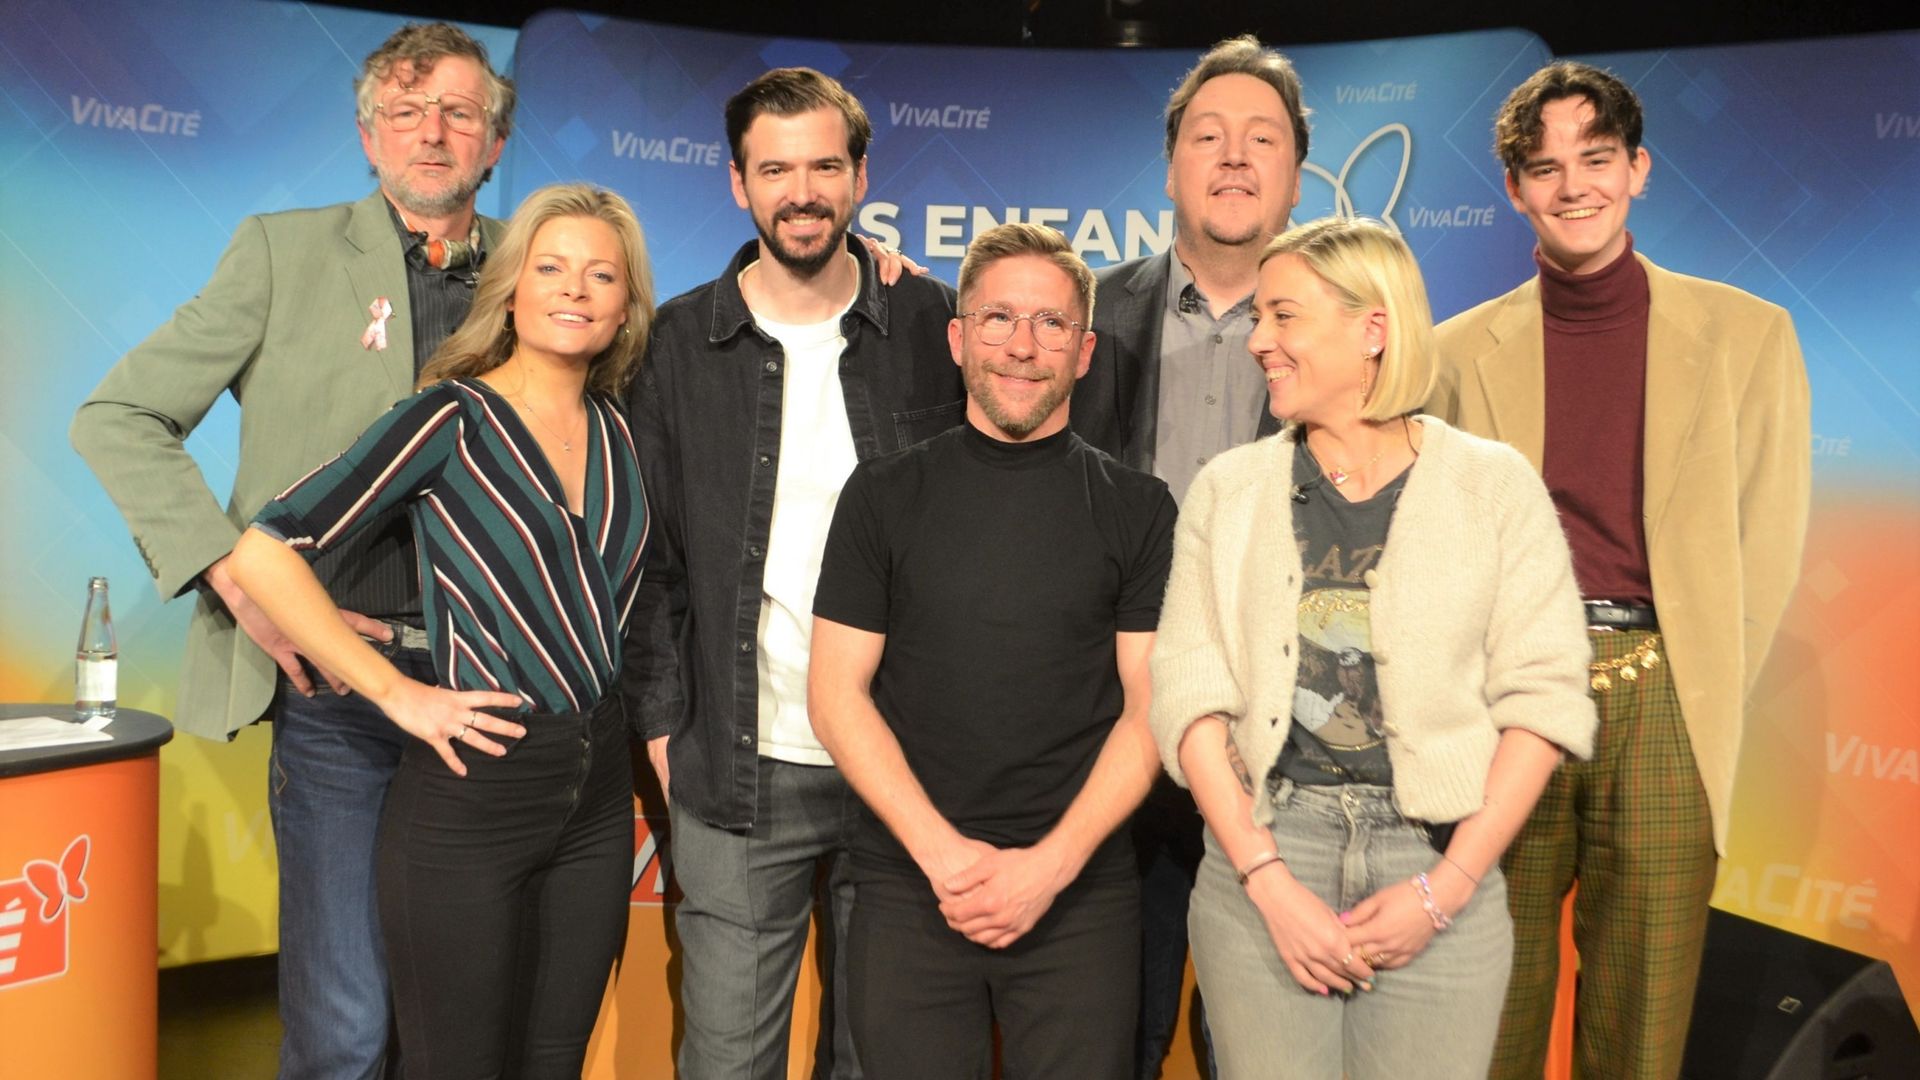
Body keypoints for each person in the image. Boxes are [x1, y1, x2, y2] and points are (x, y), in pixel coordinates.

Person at [70, 23, 513, 1078]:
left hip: (494, 686)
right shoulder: (282, 251)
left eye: (458, 112)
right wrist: (236, 577)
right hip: (335, 691)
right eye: (405, 111)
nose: (432, 132)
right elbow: (118, 416)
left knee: (462, 1025)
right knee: (346, 1028)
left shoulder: (536, 266)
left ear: (495, 142)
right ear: (368, 136)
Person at [1430, 61, 1811, 1079]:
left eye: (1595, 159)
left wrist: (1696, 687)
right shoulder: (1454, 354)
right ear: (1514, 189)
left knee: (1640, 1031)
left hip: (1664, 700)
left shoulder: (1748, 335)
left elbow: (1768, 540)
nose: (1574, 187)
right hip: (1506, 701)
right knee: (1482, 1018)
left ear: (1637, 170)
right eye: (1545, 168)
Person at [1150, 216, 1598, 1079]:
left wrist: (1447, 889)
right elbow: (1189, 696)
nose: (1258, 340)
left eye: (1283, 316)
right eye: (1259, 318)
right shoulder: (1227, 490)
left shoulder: (1494, 485)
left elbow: (1544, 702)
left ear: (1373, 329)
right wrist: (1267, 880)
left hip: (1435, 857)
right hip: (1268, 852)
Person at [224, 182, 653, 1078]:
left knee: (555, 1060)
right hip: (474, 791)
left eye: (601, 275)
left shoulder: (620, 429)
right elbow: (267, 550)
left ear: (625, 307)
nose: (575, 289)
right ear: (511, 288)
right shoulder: (449, 416)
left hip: (597, 792)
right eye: (551, 268)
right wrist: (396, 693)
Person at [620, 66, 963, 1080]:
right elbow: (648, 564)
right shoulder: (675, 344)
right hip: (739, 766)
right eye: (775, 170)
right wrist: (664, 732)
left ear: (861, 176)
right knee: (727, 1062)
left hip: (902, 764)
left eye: (823, 167)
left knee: (880, 1058)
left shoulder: (933, 323)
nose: (801, 192)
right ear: (738, 183)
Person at [809, 222, 1177, 1079]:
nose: (1022, 346)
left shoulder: (1140, 509)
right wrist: (944, 858)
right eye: (998, 318)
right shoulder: (882, 495)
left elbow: (1150, 710)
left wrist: (1048, 869)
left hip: (1080, 894)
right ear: (957, 338)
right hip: (910, 885)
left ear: (1084, 351)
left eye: (1051, 324)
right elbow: (836, 695)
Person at [1070, 35, 1312, 1076]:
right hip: (1110, 725)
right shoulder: (1082, 315)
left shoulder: (1349, 332)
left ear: (1297, 175)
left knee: (1256, 1043)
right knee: (1110, 1030)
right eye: (1208, 137)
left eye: (1262, 139)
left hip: (1279, 740)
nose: (1234, 157)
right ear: (1170, 168)